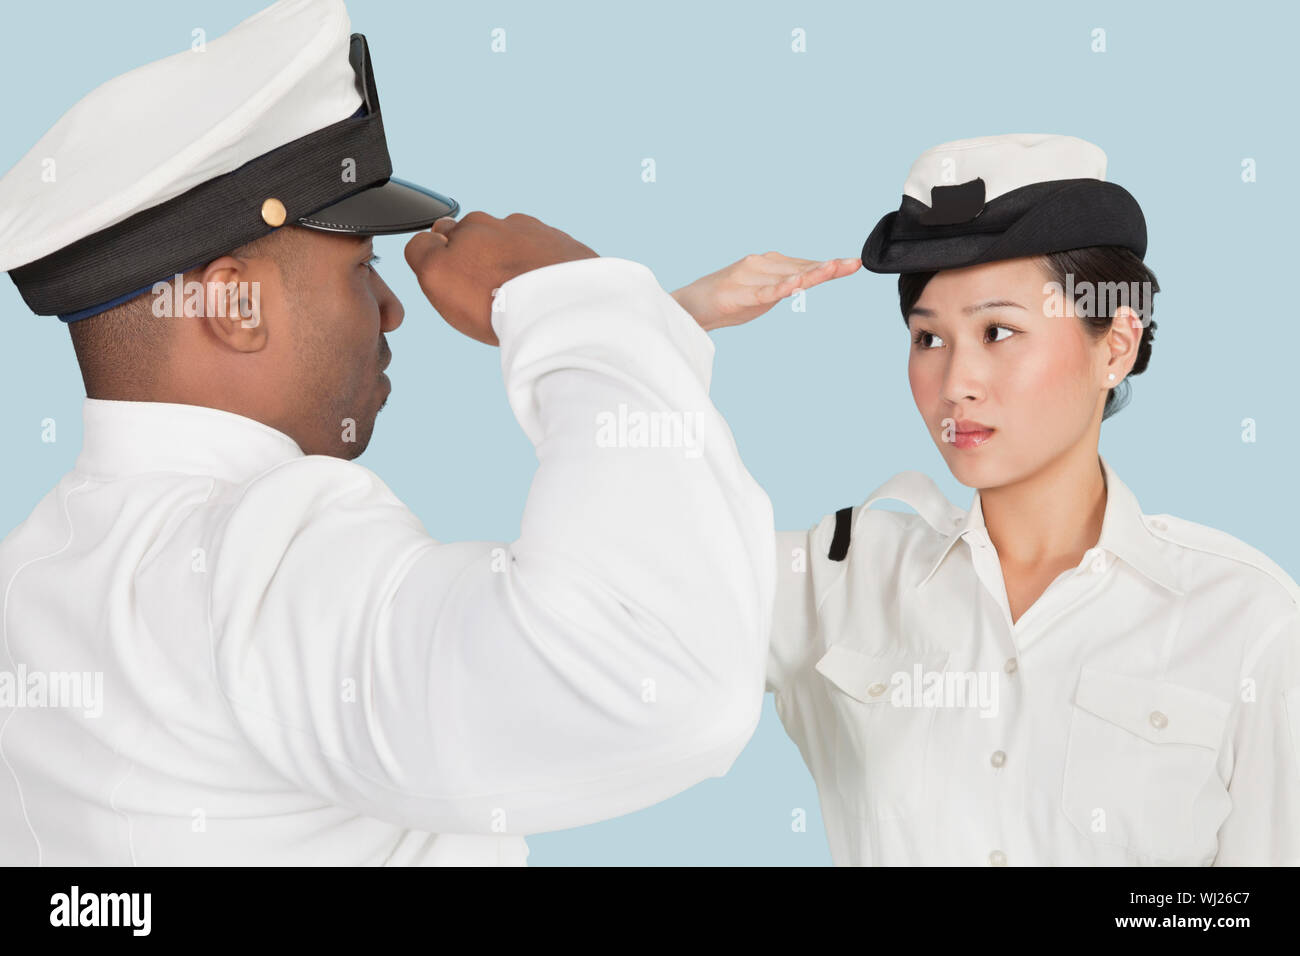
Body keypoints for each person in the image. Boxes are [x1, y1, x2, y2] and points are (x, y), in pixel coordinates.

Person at [0, 0, 775, 865]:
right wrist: (571, 300)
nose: (392, 306)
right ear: (232, 304)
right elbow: (663, 681)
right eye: (360, 266)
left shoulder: (31, 580)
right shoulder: (257, 561)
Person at [671, 133, 1300, 866]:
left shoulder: (1244, 615)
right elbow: (608, 597)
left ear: (1117, 346)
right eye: (928, 338)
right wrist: (672, 325)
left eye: (998, 331)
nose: (956, 382)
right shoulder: (841, 576)